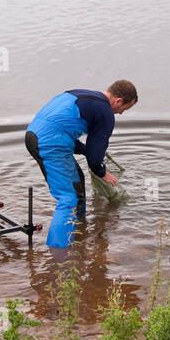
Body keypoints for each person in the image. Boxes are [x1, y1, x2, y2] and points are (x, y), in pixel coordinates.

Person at [25, 80, 138, 248]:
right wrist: (102, 172)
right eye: (124, 109)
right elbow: (94, 157)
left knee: (77, 181)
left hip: (34, 135)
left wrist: (86, 150)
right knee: (68, 197)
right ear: (118, 101)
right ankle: (59, 253)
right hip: (50, 145)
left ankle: (78, 230)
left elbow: (61, 128)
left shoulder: (80, 94)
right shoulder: (105, 112)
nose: (120, 113)